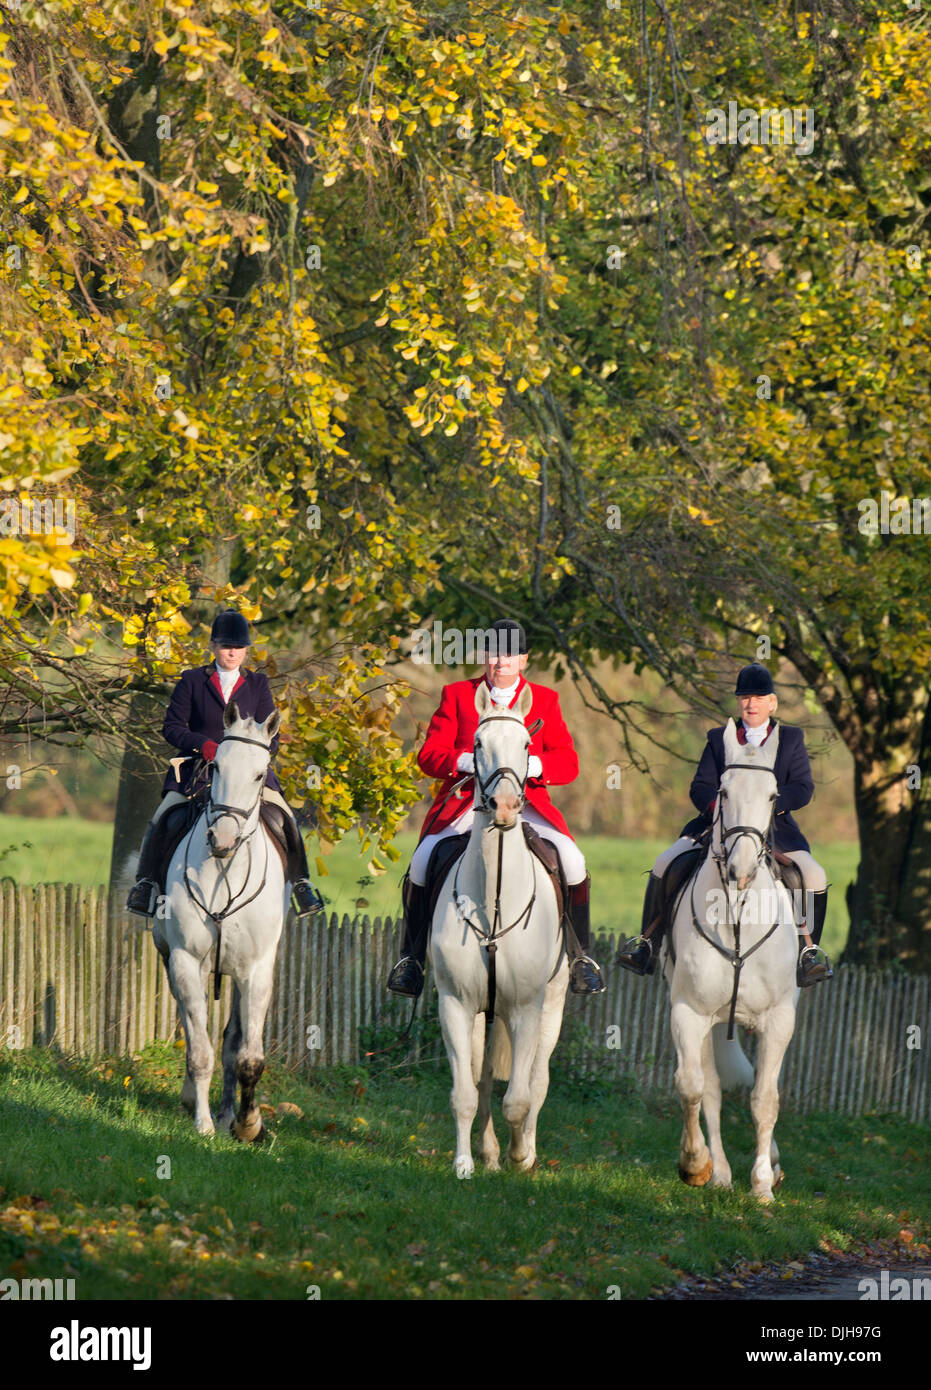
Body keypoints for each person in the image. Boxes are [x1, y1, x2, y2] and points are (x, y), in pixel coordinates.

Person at [386, 618, 606, 998]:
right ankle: (412, 959)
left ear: (523, 660)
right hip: (468, 802)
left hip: (526, 803)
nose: (499, 663)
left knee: (572, 860)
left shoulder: (545, 700)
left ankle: (580, 957)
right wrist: (466, 761)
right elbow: (429, 755)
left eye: (508, 655)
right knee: (422, 860)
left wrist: (536, 766)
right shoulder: (457, 694)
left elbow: (569, 763)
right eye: (492, 654)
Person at [616, 662, 833, 988]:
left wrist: (766, 806)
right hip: (718, 827)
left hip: (774, 829)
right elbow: (700, 786)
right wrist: (723, 809)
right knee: (665, 862)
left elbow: (803, 788)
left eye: (758, 697)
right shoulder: (719, 739)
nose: (751, 703)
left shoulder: (790, 739)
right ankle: (647, 942)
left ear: (772, 702)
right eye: (745, 697)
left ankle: (808, 952)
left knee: (814, 875)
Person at [126, 610, 323, 919]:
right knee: (163, 816)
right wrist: (205, 746)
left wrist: (250, 757)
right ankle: (146, 884)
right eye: (226, 646)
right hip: (198, 771)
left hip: (246, 775)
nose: (232, 652)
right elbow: (172, 727)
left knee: (285, 816)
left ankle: (301, 883)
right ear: (213, 647)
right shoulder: (192, 680)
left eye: (239, 647)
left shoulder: (258, 683)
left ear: (246, 650)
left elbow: (270, 733)